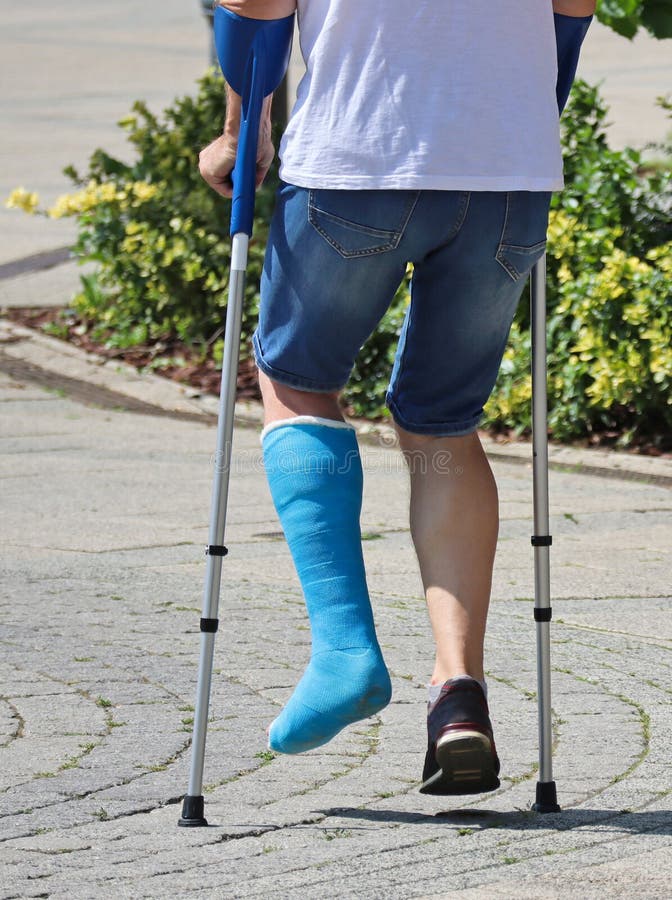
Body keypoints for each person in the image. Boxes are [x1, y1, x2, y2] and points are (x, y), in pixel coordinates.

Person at [199, 0, 595, 794]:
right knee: (444, 426)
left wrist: (243, 126)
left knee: (297, 385)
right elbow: (574, 5)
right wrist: (528, 109)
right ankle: (458, 690)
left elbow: (255, 8)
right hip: (505, 173)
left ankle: (344, 652)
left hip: (359, 155)